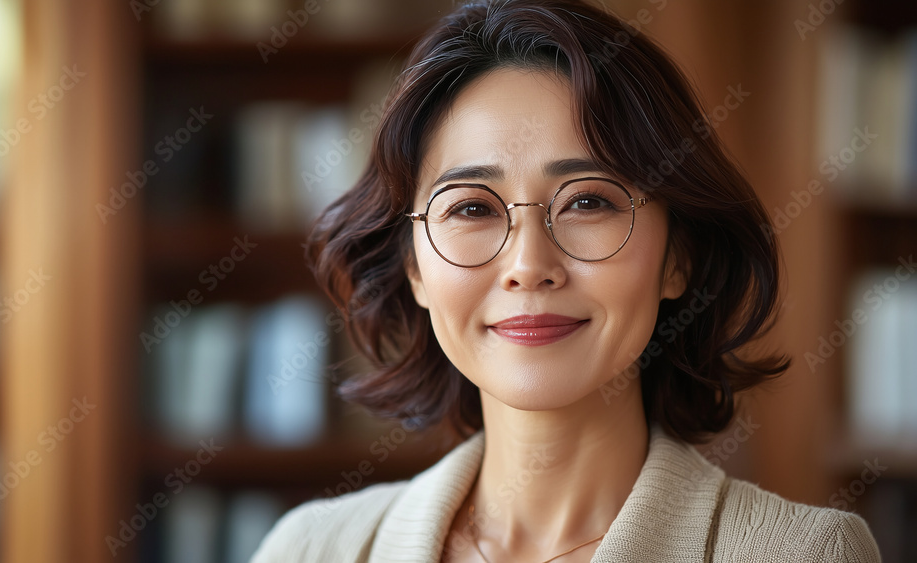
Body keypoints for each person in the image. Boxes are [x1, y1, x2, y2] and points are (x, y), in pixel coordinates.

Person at [252, 0, 881, 561]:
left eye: (587, 202)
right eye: (471, 207)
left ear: (678, 256)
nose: (529, 266)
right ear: (415, 266)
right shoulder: (310, 548)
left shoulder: (806, 553)